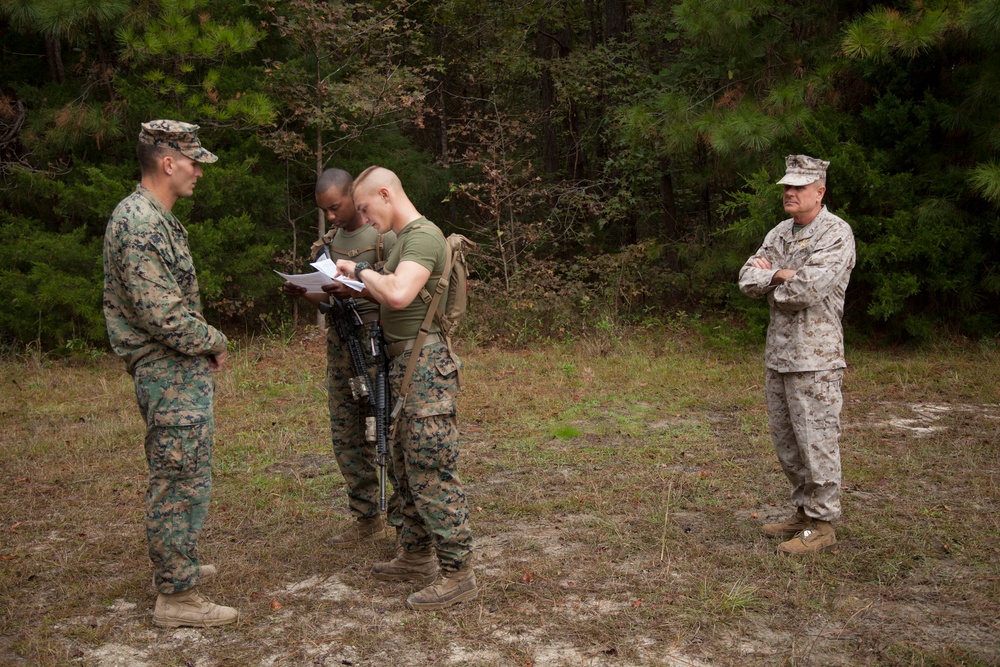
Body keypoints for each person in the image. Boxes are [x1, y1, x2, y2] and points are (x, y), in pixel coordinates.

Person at [103, 120, 239, 627]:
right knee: (178, 477)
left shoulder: (154, 217)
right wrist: (214, 340)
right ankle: (177, 596)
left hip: (175, 368)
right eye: (193, 162)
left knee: (183, 471)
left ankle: (178, 563)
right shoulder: (140, 222)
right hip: (167, 370)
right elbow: (163, 314)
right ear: (168, 163)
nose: (198, 171)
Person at [335, 166, 478, 610]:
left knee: (430, 468)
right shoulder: (402, 241)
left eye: (365, 208)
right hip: (401, 367)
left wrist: (361, 269)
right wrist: (355, 282)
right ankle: (416, 555)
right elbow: (391, 294)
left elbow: (398, 294)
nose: (364, 218)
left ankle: (458, 572)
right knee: (403, 465)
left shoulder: (421, 237)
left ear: (385, 194)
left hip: (425, 369)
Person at [738, 154, 856, 555]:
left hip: (815, 359)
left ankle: (822, 524)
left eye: (799, 187)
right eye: (787, 186)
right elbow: (746, 279)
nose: (790, 192)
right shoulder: (780, 233)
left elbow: (804, 291)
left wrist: (774, 280)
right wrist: (779, 274)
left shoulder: (835, 233)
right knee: (787, 443)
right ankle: (804, 513)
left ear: (819, 192)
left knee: (816, 441)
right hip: (780, 356)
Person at [281, 168, 399, 547]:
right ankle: (366, 519)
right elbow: (327, 298)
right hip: (342, 345)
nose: (330, 216)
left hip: (379, 345)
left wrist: (359, 289)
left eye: (335, 207)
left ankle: (405, 523)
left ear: (353, 196)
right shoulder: (326, 245)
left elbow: (400, 291)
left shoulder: (384, 237)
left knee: (389, 432)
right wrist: (305, 291)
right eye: (324, 211)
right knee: (346, 435)